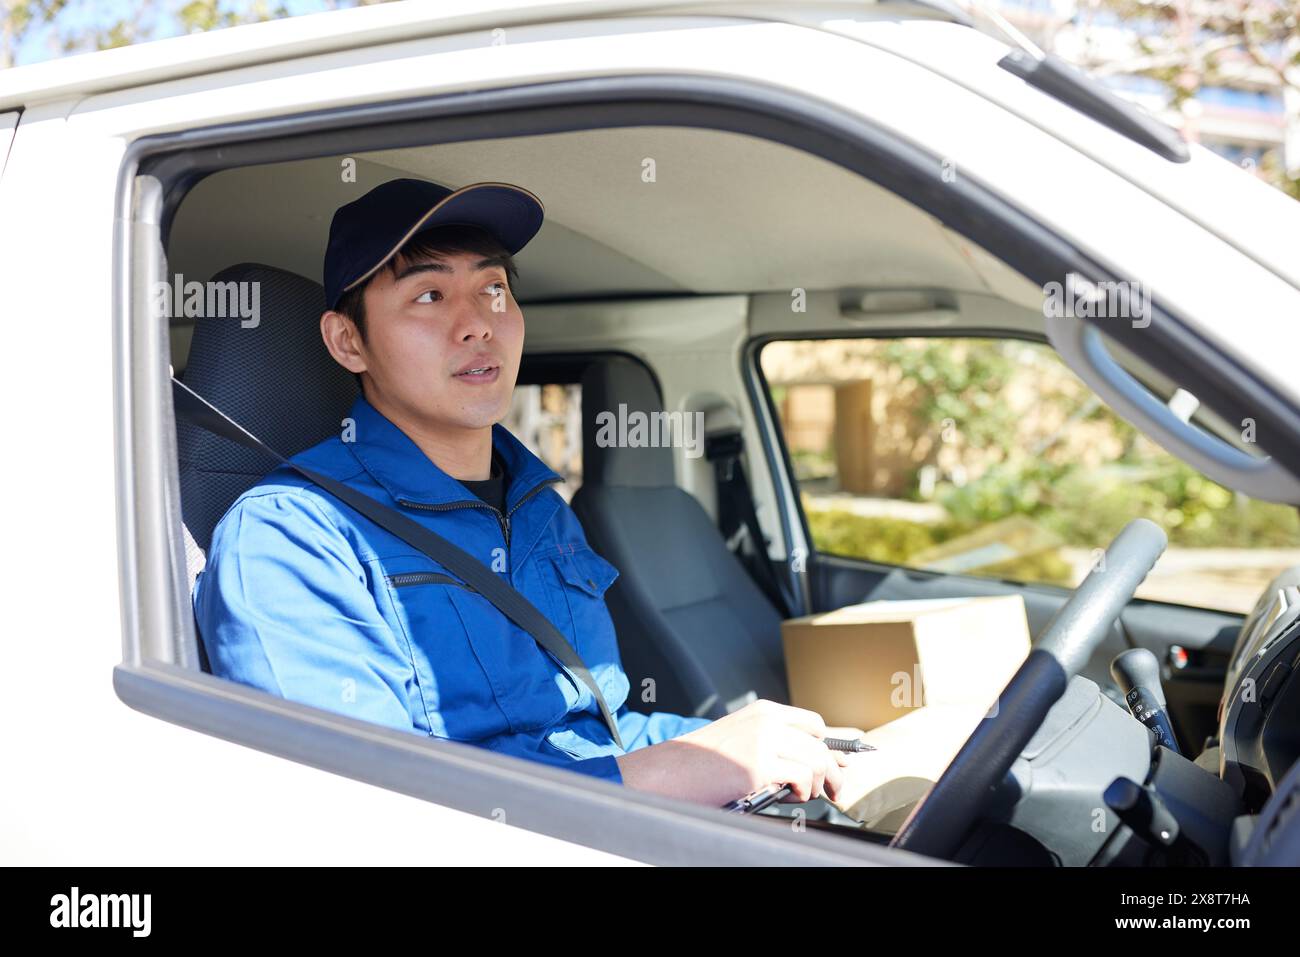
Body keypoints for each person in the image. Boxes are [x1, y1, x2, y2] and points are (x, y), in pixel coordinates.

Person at [194, 178, 858, 808]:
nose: (478, 322)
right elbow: (369, 807)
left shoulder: (541, 507)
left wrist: (760, 746)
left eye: (493, 288)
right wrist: (688, 768)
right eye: (429, 296)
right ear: (348, 341)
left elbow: (604, 729)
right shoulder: (290, 538)